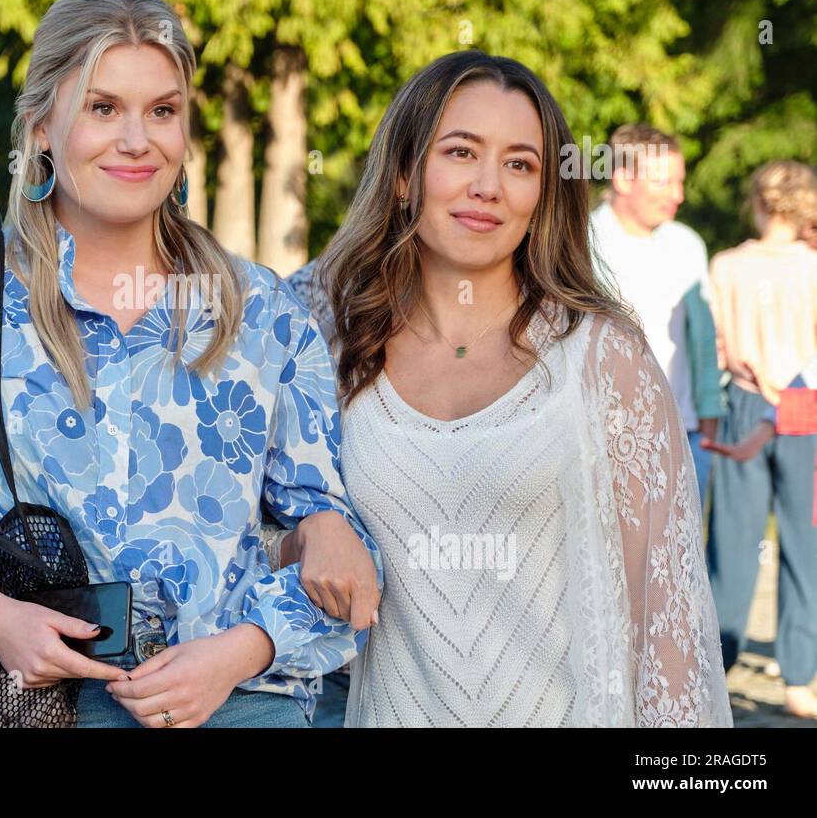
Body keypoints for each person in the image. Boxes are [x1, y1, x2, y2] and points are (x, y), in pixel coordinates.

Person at [0, 0, 382, 728]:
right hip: (25, 701)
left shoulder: (259, 313)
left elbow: (345, 567)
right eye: (103, 109)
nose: (138, 141)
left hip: (235, 706)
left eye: (162, 112)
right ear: (38, 127)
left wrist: (240, 652)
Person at [296, 50, 731, 726]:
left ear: (545, 193)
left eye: (520, 164)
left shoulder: (602, 356)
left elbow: (665, 607)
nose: (489, 186)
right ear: (407, 174)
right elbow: (243, 529)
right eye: (462, 152)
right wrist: (310, 532)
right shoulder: (326, 336)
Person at [704, 160, 817, 720]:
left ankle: (714, 671)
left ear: (757, 203)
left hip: (744, 404)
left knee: (734, 543)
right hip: (806, 405)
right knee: (805, 543)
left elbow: (718, 347)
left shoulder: (726, 265)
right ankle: (799, 682)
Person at [589, 125, 723, 508]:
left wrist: (710, 408)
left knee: (680, 556)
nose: (677, 195)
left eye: (679, 182)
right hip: (607, 432)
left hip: (686, 429)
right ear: (623, 178)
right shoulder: (583, 242)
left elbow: (703, 335)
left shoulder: (687, 244)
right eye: (663, 182)